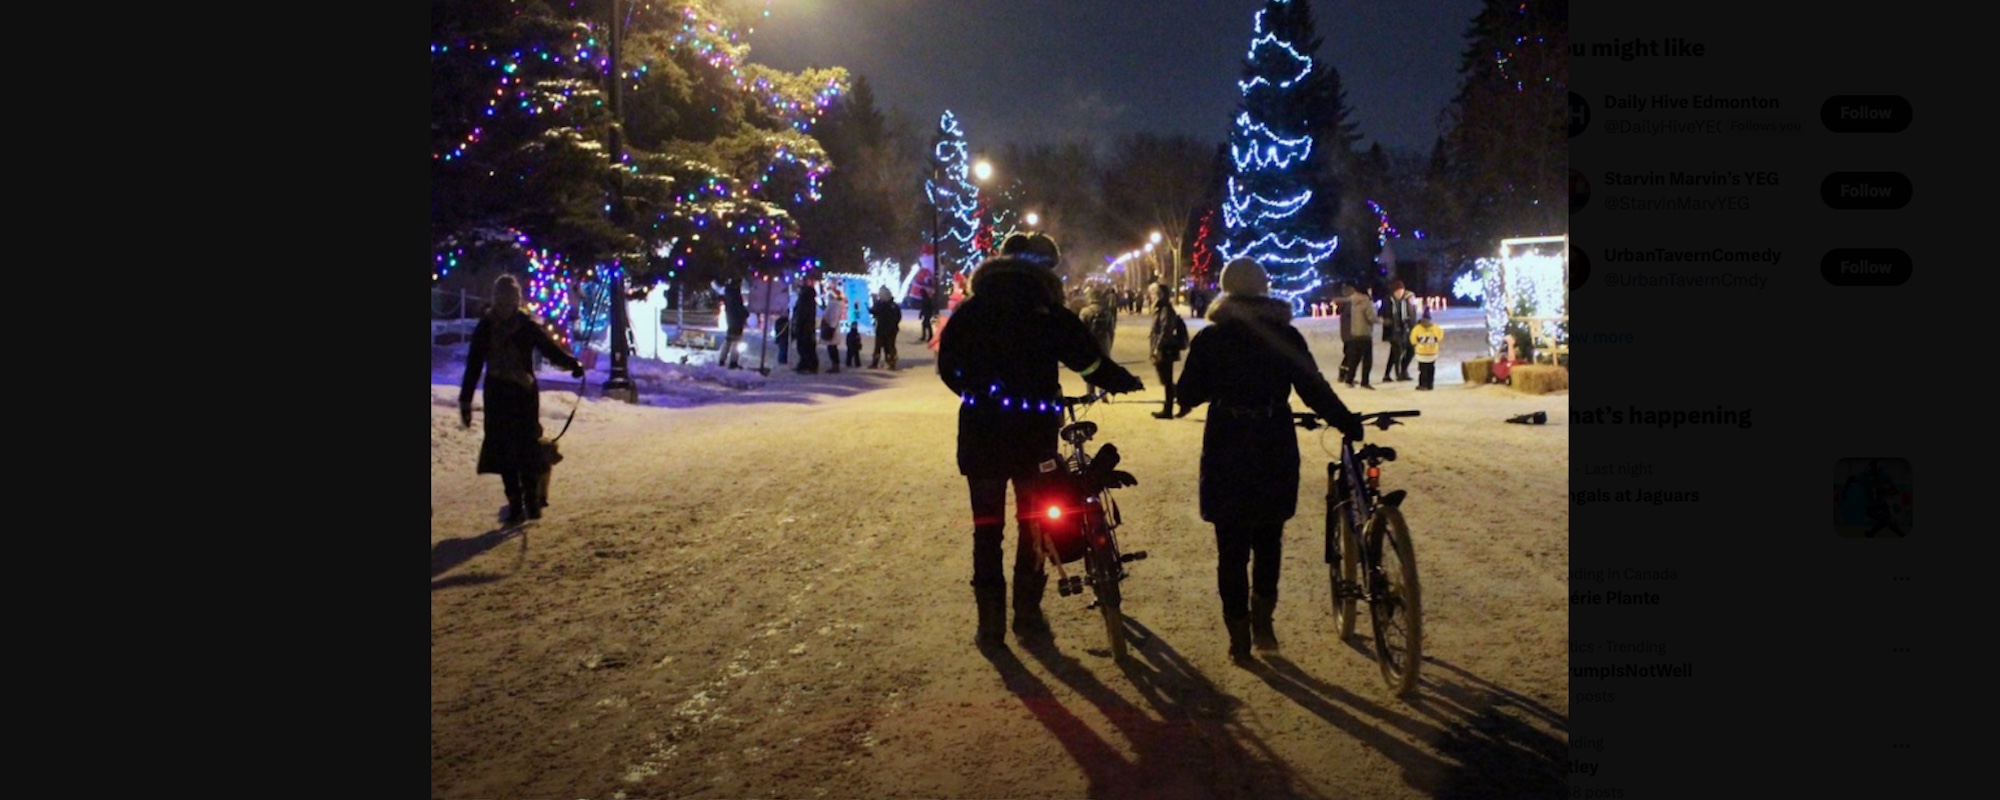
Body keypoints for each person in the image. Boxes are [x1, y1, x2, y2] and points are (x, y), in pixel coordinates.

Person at [937, 231, 1145, 648]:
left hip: (981, 433)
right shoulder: (1047, 312)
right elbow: (1087, 363)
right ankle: (1027, 617)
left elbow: (948, 366)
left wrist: (976, 392)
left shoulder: (972, 310)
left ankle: (990, 624)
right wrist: (1121, 381)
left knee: (986, 528)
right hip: (1033, 435)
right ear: (1044, 271)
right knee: (1033, 525)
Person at [1175, 258, 1363, 661]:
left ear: (1225, 290)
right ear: (1263, 289)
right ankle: (1263, 624)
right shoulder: (1285, 336)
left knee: (1230, 545)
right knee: (1268, 538)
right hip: (1273, 438)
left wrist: (1209, 387)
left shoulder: (1211, 339)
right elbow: (1313, 388)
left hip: (1227, 439)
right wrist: (1345, 420)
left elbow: (1187, 393)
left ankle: (1238, 633)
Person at [458, 273, 586, 525]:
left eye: (509, 304)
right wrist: (465, 400)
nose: (505, 309)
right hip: (498, 395)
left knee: (527, 448)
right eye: (501, 304)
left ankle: (531, 500)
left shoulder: (526, 325)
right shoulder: (486, 327)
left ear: (516, 303)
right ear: (495, 302)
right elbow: (473, 365)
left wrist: (571, 363)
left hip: (523, 395)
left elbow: (549, 349)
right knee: (504, 450)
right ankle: (515, 503)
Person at [1147, 282, 1189, 420]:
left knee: (1167, 380)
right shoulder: (1160, 308)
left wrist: (1158, 348)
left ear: (1161, 294)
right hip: (1162, 348)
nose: (1152, 296)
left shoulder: (1165, 309)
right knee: (1165, 380)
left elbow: (1165, 330)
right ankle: (1180, 403)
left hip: (1166, 349)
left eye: (1154, 293)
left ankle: (1173, 407)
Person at [1337, 283, 1377, 390]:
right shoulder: (1365, 301)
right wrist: (1382, 320)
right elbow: (1371, 318)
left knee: (1354, 359)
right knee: (1367, 359)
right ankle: (1365, 382)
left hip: (1354, 334)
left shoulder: (1352, 301)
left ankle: (1349, 379)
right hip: (1364, 333)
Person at [1380, 278, 1419, 383]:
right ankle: (1398, 374)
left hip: (1405, 330)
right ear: (1394, 291)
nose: (1400, 294)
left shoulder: (1406, 300)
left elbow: (1412, 315)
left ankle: (1398, 371)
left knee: (1410, 350)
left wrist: (1413, 326)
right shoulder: (1388, 300)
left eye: (1402, 291)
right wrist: (1387, 320)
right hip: (1392, 331)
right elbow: (1381, 313)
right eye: (1398, 292)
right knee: (1397, 352)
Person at [1409, 310, 1445, 390]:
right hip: (1432, 352)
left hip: (1421, 353)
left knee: (1423, 369)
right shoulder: (1436, 328)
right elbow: (1440, 337)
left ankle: (1423, 384)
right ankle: (1430, 384)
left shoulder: (1417, 328)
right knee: (1431, 368)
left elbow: (1413, 340)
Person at [1078, 286, 1118, 358]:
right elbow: (1111, 331)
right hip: (1104, 342)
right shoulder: (1107, 312)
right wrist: (1109, 344)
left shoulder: (1085, 311)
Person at [791, 279, 820, 374]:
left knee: (806, 346)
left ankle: (809, 364)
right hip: (806, 325)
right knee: (805, 346)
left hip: (805, 326)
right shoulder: (807, 301)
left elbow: (802, 314)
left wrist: (798, 322)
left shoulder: (805, 301)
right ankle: (805, 363)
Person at [869, 286, 902, 369]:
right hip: (881, 328)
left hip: (890, 329)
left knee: (890, 346)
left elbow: (897, 317)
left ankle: (891, 361)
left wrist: (892, 325)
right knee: (878, 346)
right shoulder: (880, 303)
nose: (880, 296)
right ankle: (875, 362)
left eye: (881, 294)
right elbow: (875, 311)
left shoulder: (892, 306)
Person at [718, 278, 747, 369]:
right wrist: (745, 313)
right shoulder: (735, 294)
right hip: (737, 320)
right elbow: (739, 308)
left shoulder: (728, 293)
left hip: (731, 319)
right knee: (736, 342)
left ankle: (722, 359)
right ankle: (733, 362)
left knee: (729, 340)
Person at [820, 283, 847, 373]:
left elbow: (834, 317)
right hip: (831, 327)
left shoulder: (834, 305)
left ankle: (835, 365)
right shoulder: (834, 304)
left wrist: (831, 327)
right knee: (831, 347)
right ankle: (835, 364)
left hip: (831, 328)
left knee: (832, 348)